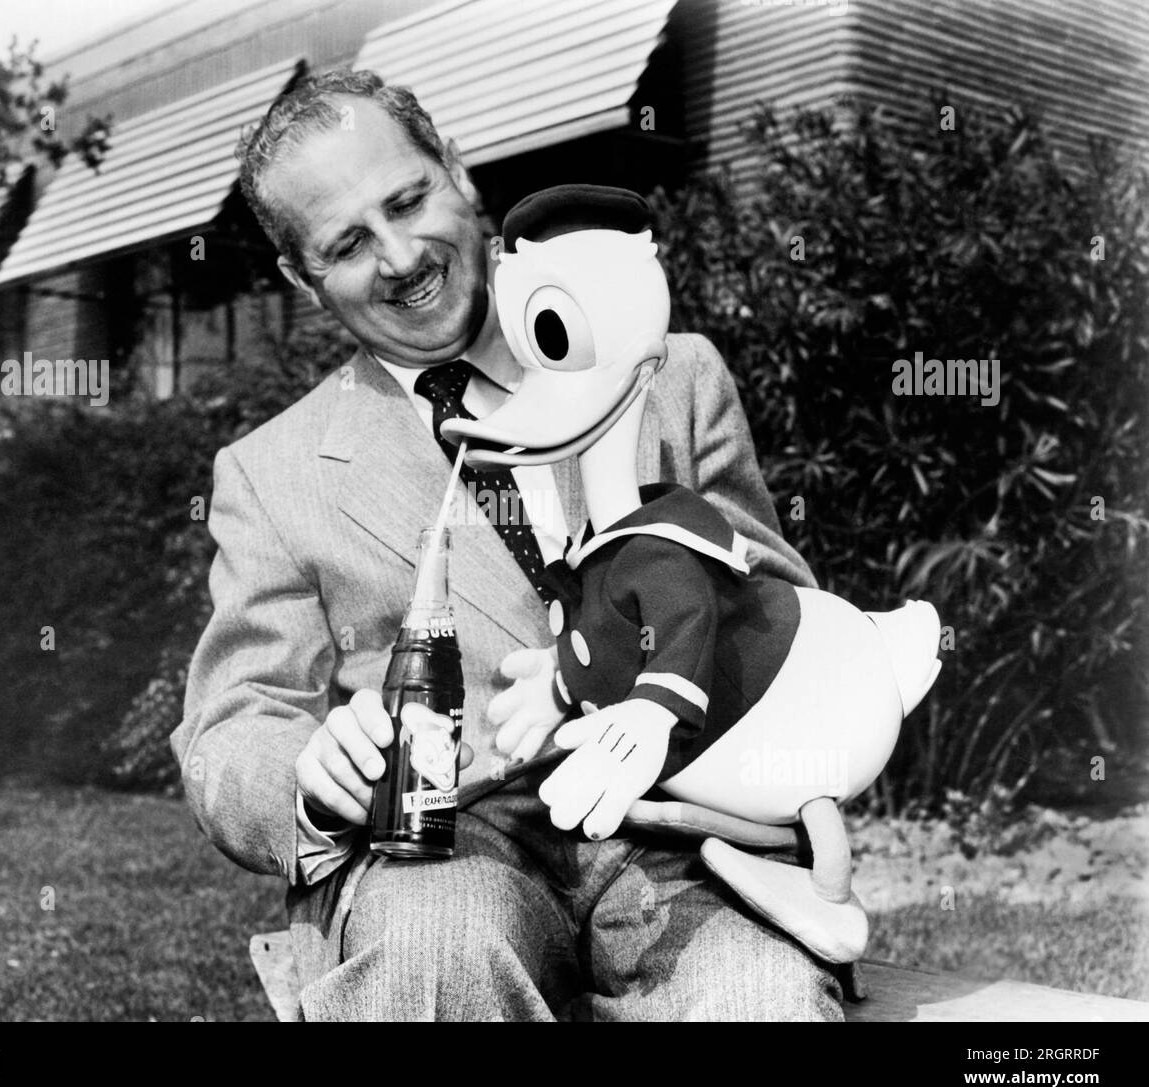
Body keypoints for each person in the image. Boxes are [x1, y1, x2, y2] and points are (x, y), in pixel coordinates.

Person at [171, 67, 846, 1020]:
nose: (403, 256)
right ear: (300, 277)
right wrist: (313, 773)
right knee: (440, 957)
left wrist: (629, 674)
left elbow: (790, 620)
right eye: (350, 243)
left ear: (458, 170)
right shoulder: (272, 474)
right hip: (441, 853)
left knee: (760, 1001)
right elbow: (231, 724)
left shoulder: (665, 369)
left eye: (409, 199)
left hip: (684, 842)